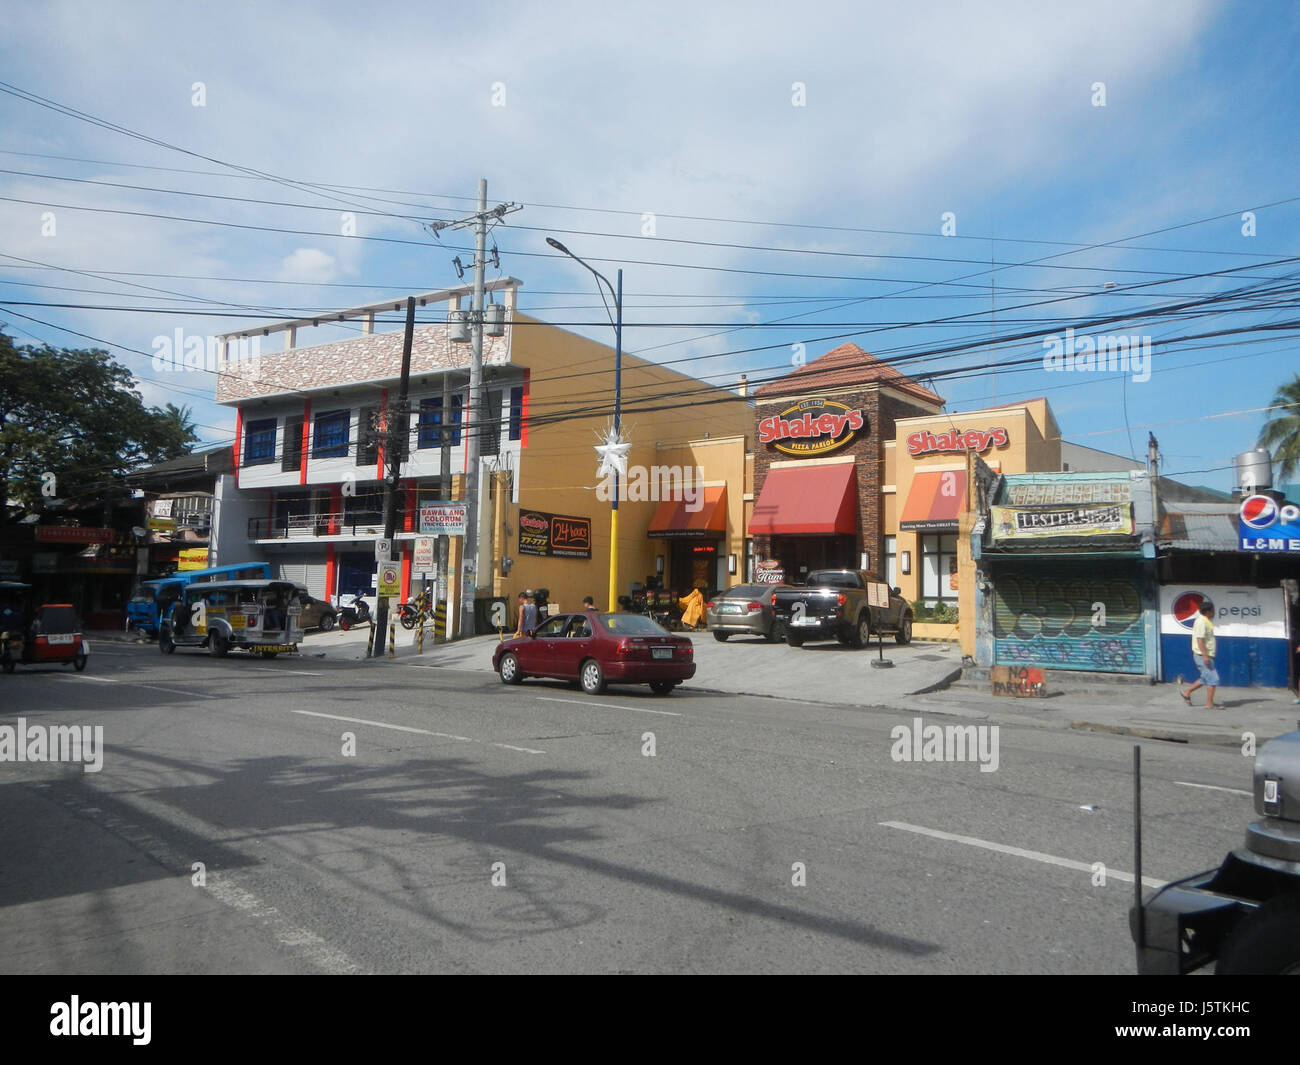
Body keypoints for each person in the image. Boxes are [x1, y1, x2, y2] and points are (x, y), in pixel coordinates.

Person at [1180, 601, 1223, 709]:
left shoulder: (1206, 621)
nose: (1214, 612)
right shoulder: (1201, 622)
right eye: (1212, 610)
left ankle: (1186, 693)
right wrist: (1205, 656)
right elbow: (1200, 640)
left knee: (1205, 678)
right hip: (1202, 655)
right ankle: (1209, 704)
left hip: (1206, 655)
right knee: (1213, 679)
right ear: (1208, 611)